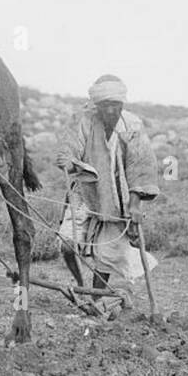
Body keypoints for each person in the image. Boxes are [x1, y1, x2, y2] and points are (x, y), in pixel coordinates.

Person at [54, 74, 159, 305]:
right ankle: (82, 286)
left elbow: (140, 167)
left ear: (122, 104)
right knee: (68, 244)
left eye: (116, 105)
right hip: (85, 192)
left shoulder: (131, 126)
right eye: (105, 105)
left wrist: (134, 205)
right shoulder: (84, 121)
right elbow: (69, 147)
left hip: (117, 199)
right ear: (96, 105)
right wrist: (69, 160)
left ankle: (96, 298)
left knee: (107, 255)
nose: (111, 111)